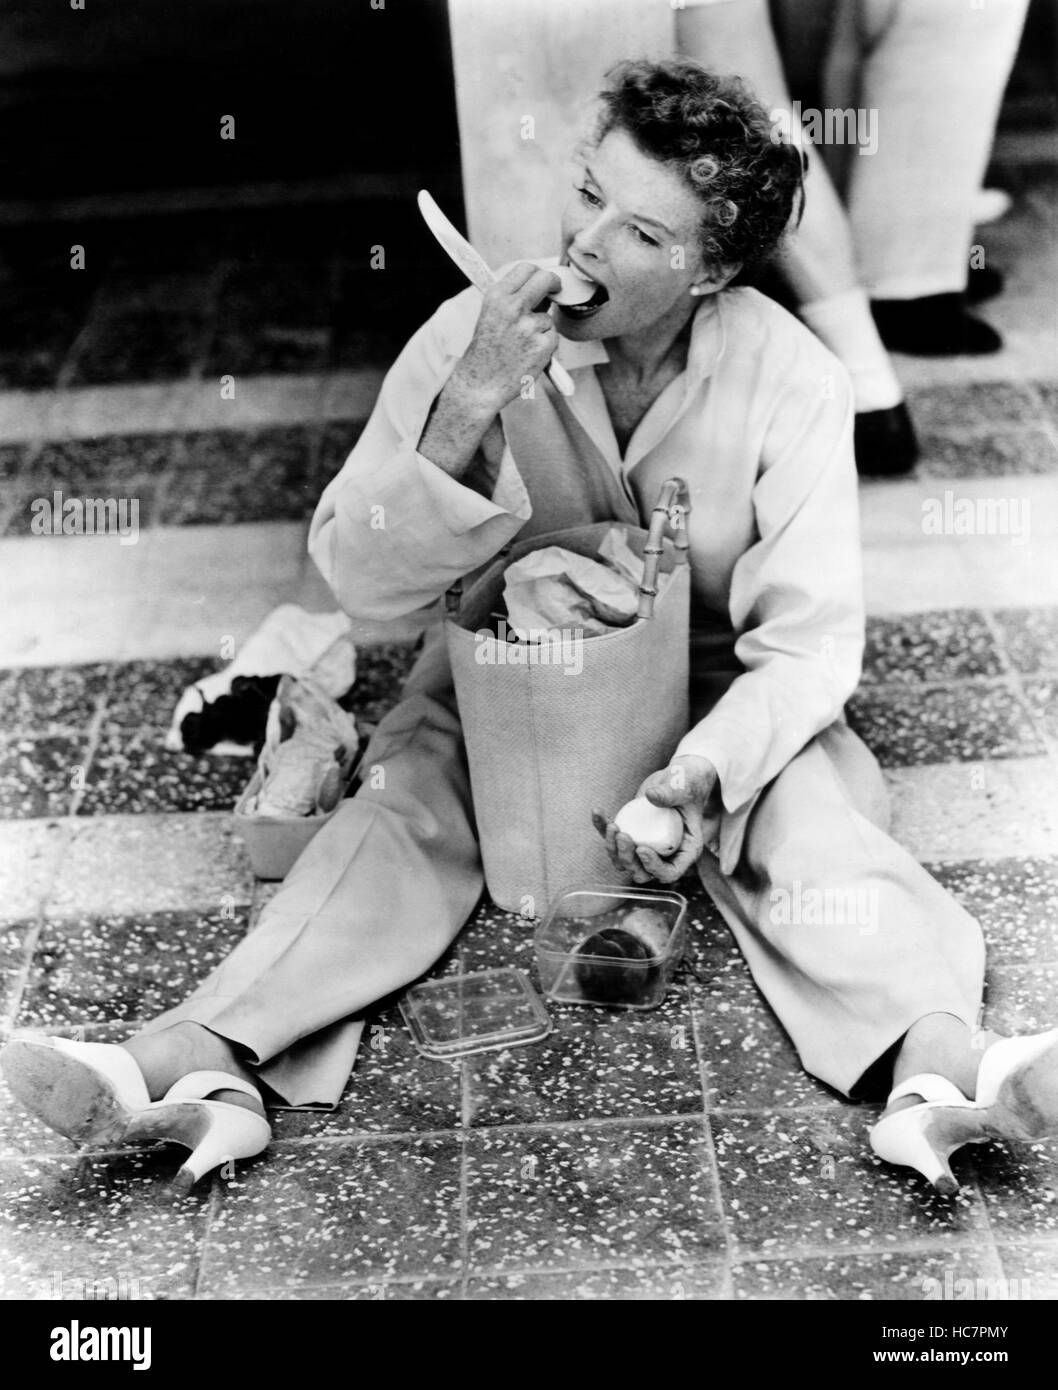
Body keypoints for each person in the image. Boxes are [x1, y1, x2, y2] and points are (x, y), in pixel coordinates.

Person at [4, 58, 1056, 1199]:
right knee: (394, 813)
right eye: (587, 192)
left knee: (811, 820)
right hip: (500, 679)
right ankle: (191, 1063)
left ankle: (938, 1074)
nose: (587, 239)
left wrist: (700, 775)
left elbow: (804, 646)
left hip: (714, 694)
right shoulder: (472, 330)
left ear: (709, 269)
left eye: (639, 228)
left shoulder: (789, 378)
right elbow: (358, 584)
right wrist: (468, 400)